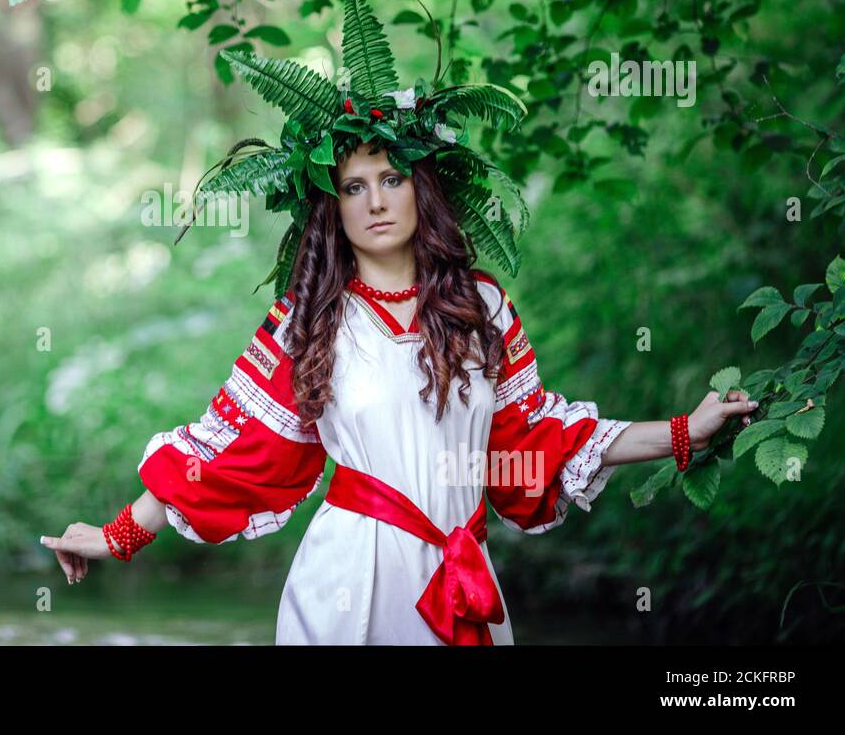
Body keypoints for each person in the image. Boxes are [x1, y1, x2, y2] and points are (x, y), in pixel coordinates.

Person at [39, 141, 758, 644]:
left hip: (462, 572)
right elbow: (225, 456)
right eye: (354, 186)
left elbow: (540, 437)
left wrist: (682, 433)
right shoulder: (309, 322)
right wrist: (115, 536)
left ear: (423, 190)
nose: (376, 201)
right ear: (332, 207)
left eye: (391, 179)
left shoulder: (480, 307)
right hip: (352, 576)